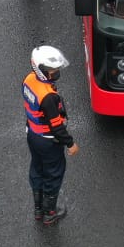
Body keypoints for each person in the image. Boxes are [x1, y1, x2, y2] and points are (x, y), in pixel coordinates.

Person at [23, 44, 78, 225]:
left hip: (33, 136)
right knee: (53, 174)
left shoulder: (29, 80)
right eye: (51, 70)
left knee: (37, 170)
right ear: (40, 69)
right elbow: (56, 126)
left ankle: (38, 209)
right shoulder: (48, 97)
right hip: (48, 142)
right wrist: (70, 144)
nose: (55, 72)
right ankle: (50, 212)